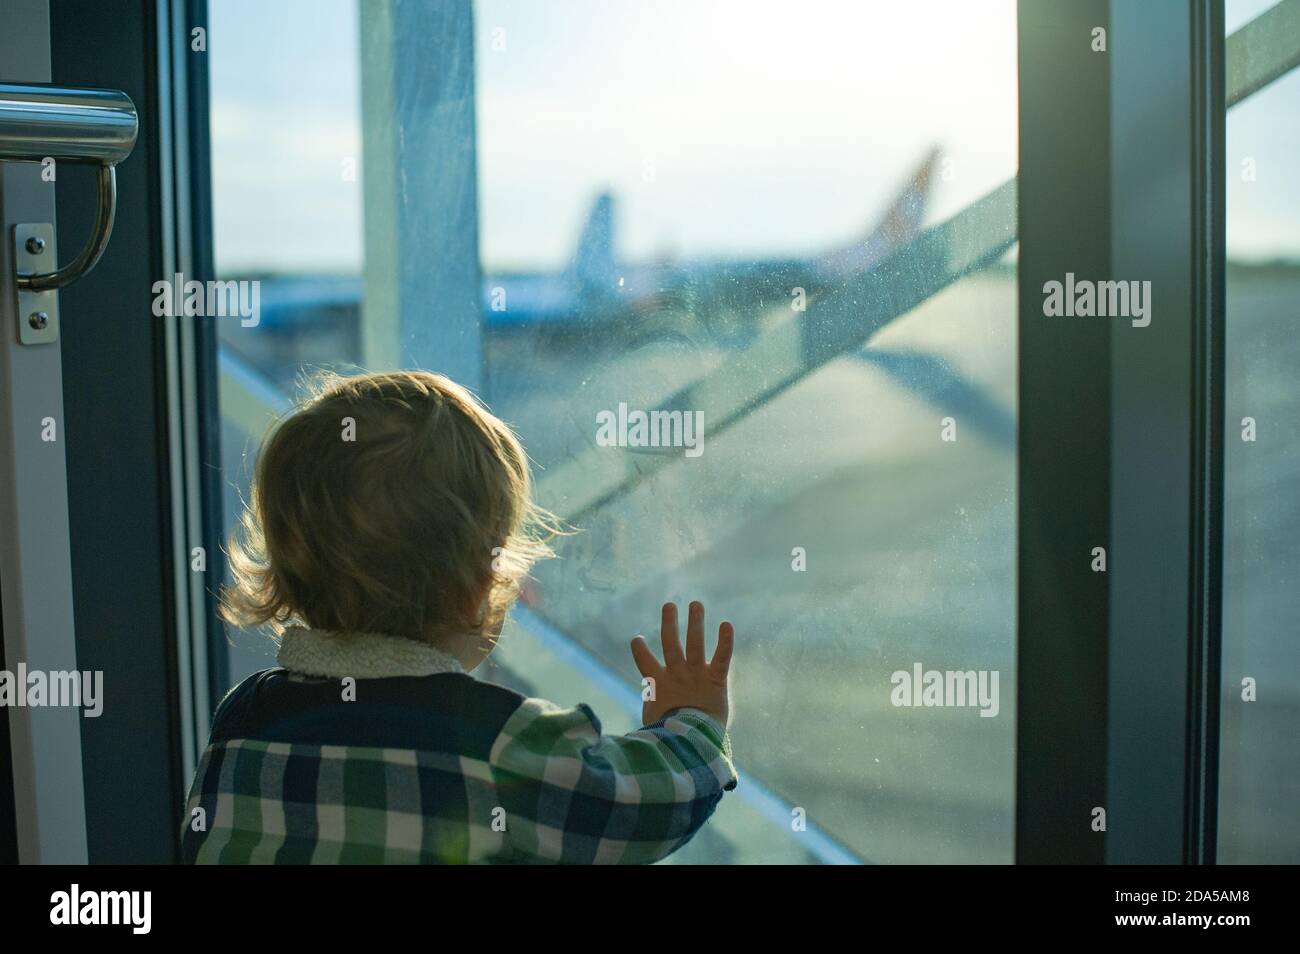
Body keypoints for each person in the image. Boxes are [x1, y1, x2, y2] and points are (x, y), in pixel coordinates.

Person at [181, 369, 736, 863]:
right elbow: (634, 809)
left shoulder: (244, 722)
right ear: (480, 586)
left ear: (287, 572)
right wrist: (692, 723)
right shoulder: (498, 745)